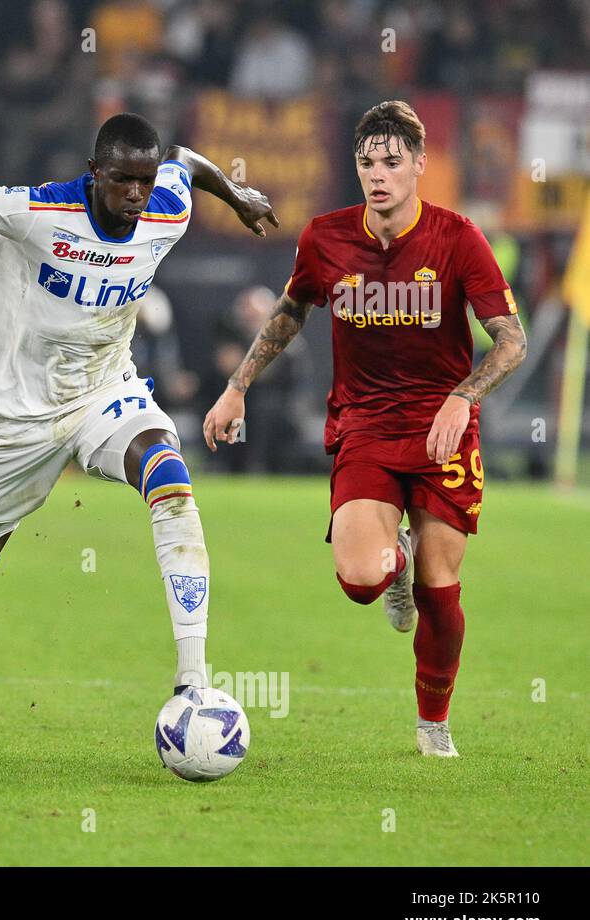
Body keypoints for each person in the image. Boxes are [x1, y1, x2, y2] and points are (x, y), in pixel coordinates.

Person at [0, 112, 277, 757]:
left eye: (145, 180)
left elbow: (187, 162)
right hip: (19, 418)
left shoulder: (164, 206)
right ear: (96, 173)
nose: (138, 194)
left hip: (107, 392)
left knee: (168, 474)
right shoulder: (36, 210)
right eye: (124, 180)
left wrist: (237, 196)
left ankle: (193, 686)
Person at [202, 101, 527, 758]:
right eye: (367, 162)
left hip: (442, 429)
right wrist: (237, 387)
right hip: (366, 427)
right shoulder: (325, 237)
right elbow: (291, 311)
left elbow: (511, 341)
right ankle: (393, 560)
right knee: (360, 581)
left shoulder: (458, 237)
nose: (378, 175)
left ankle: (433, 724)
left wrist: (463, 398)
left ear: (419, 165)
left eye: (391, 161)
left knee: (442, 588)